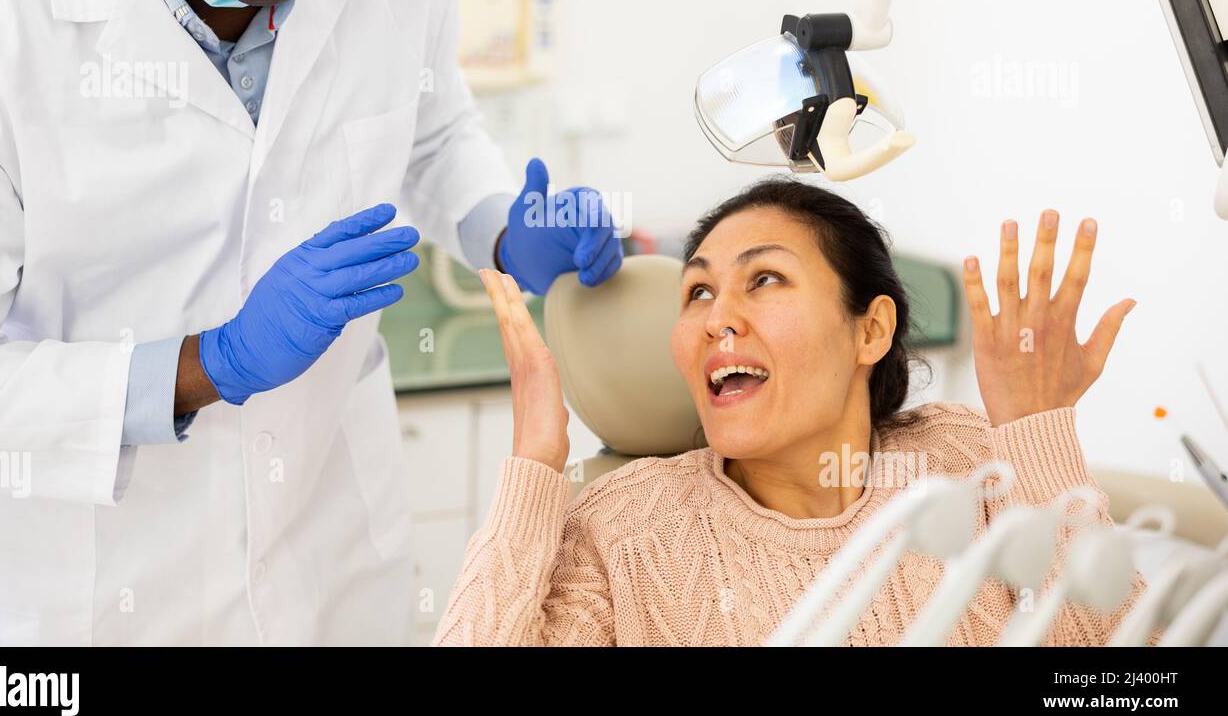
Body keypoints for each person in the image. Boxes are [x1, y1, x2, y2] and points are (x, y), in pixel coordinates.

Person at [0, 0, 621, 645]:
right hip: (93, 606)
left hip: (332, 576)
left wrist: (509, 229)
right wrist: (203, 367)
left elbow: (434, 136)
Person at [433, 177, 1152, 646]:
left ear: (869, 330)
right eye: (698, 293)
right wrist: (532, 465)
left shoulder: (968, 464)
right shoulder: (624, 534)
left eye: (765, 279)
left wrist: (1034, 430)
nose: (719, 319)